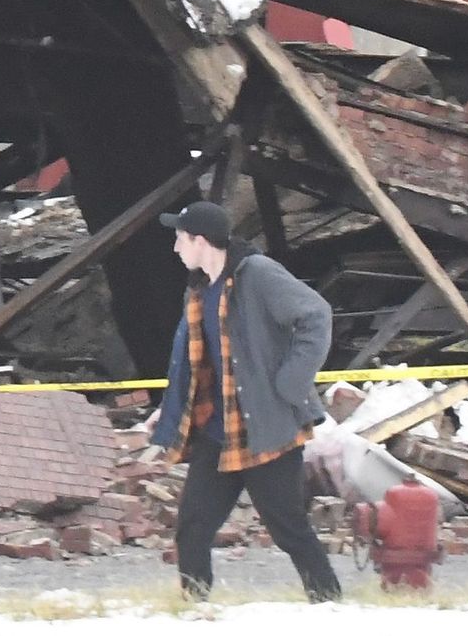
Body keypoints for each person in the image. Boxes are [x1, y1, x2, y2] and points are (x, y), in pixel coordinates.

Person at [144, 200, 343, 603]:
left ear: (200, 241)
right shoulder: (200, 288)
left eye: (180, 239)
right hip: (218, 433)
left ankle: (329, 605)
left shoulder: (257, 275)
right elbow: (197, 363)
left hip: (265, 429)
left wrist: (290, 383)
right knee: (193, 527)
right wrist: (169, 409)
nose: (176, 248)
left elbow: (317, 316)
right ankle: (196, 607)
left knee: (287, 527)